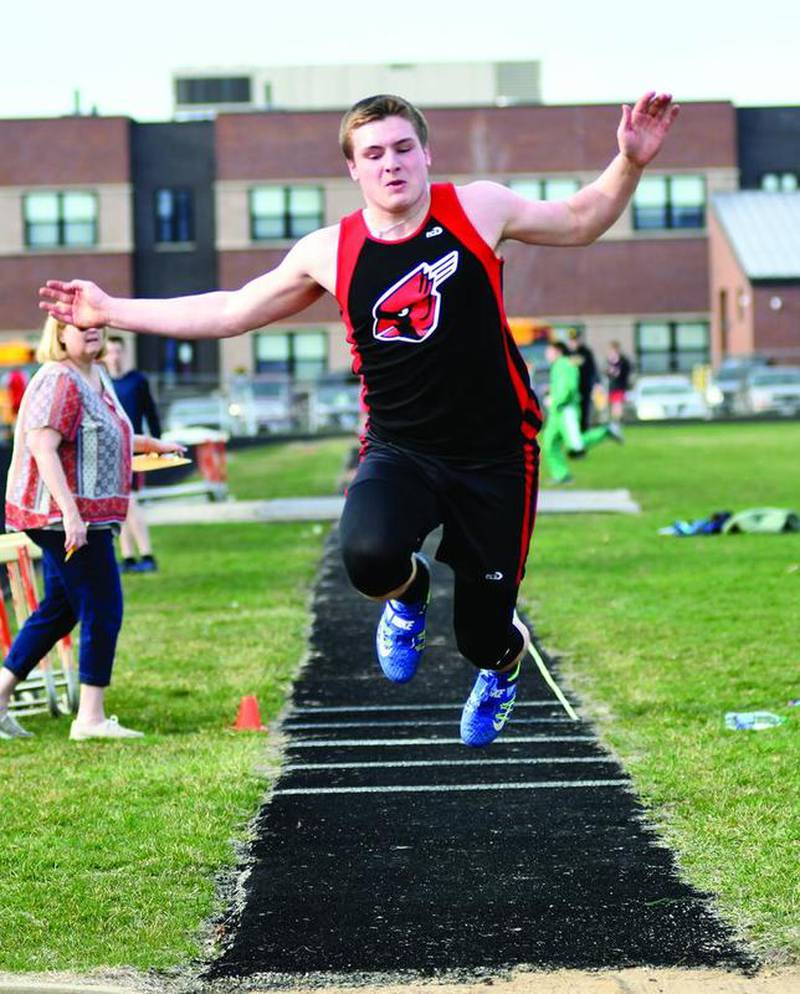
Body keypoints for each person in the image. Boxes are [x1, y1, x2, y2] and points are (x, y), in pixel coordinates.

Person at [38, 90, 678, 747]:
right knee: (368, 557)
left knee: (482, 636)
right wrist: (111, 309)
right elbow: (230, 310)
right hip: (402, 450)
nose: (391, 164)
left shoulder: (477, 208)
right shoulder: (330, 251)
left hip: (495, 457)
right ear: (353, 169)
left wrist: (628, 161)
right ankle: (409, 592)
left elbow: (580, 219)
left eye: (403, 148)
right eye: (373, 153)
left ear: (426, 153)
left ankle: (501, 670)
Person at [0, 317, 183, 741]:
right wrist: (70, 515)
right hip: (64, 516)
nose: (91, 330)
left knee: (59, 610)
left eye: (96, 324)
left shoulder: (95, 373)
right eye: (79, 325)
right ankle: (90, 718)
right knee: (103, 606)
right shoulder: (60, 380)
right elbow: (41, 448)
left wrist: (151, 445)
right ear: (58, 334)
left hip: (90, 515)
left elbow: (101, 436)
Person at [104, 335, 162, 573]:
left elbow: (152, 414)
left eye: (118, 351)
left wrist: (158, 445)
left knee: (132, 502)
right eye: (111, 352)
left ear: (124, 353)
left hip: (134, 452)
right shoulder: (102, 383)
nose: (115, 356)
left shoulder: (137, 381)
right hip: (110, 453)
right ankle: (128, 558)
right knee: (120, 506)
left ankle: (147, 555)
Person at [541, 340, 621, 485]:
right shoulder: (558, 366)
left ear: (557, 351)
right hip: (556, 412)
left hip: (565, 410)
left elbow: (569, 387)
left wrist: (556, 400)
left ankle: (605, 431)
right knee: (550, 443)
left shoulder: (565, 364)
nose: (547, 354)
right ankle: (562, 475)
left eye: (549, 351)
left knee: (576, 444)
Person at [566, 327, 599, 432]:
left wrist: (595, 384)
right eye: (571, 340)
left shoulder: (586, 352)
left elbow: (593, 369)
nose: (573, 342)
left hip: (584, 387)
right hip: (570, 388)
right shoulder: (566, 353)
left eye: (575, 339)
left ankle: (583, 430)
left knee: (584, 410)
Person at [605, 340, 632, 426]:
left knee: (617, 404)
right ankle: (615, 421)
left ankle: (617, 422)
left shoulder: (623, 360)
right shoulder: (610, 361)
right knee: (614, 404)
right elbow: (607, 372)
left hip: (619, 386)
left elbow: (625, 371)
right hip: (612, 386)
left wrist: (617, 372)